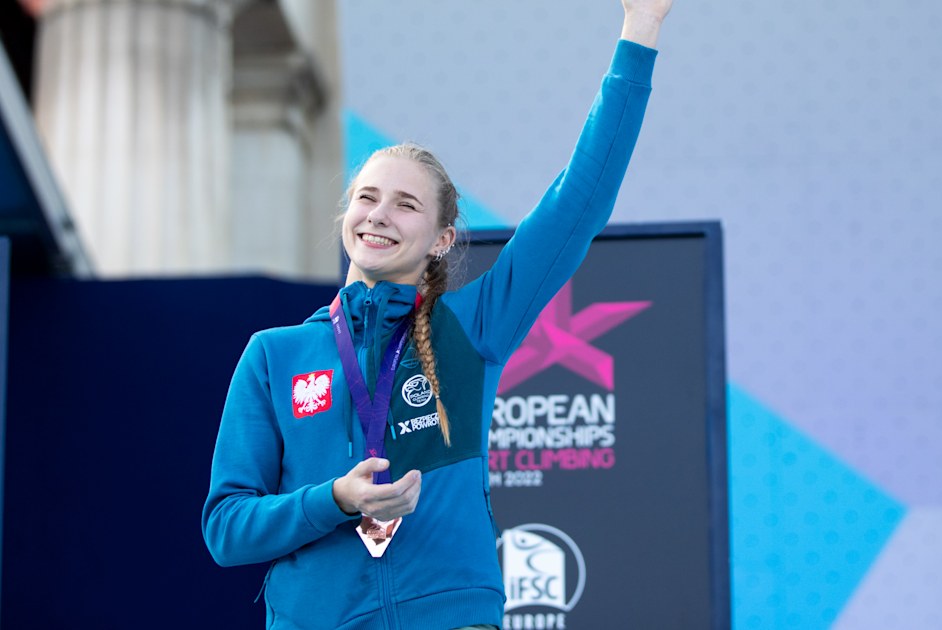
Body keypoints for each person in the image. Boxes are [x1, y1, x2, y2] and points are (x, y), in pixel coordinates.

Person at [201, 2, 672, 628]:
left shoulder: (471, 328)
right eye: (367, 197)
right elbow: (227, 529)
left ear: (443, 238)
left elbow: (578, 201)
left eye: (405, 205)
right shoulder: (274, 355)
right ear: (345, 214)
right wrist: (333, 500)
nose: (378, 215)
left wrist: (640, 31)